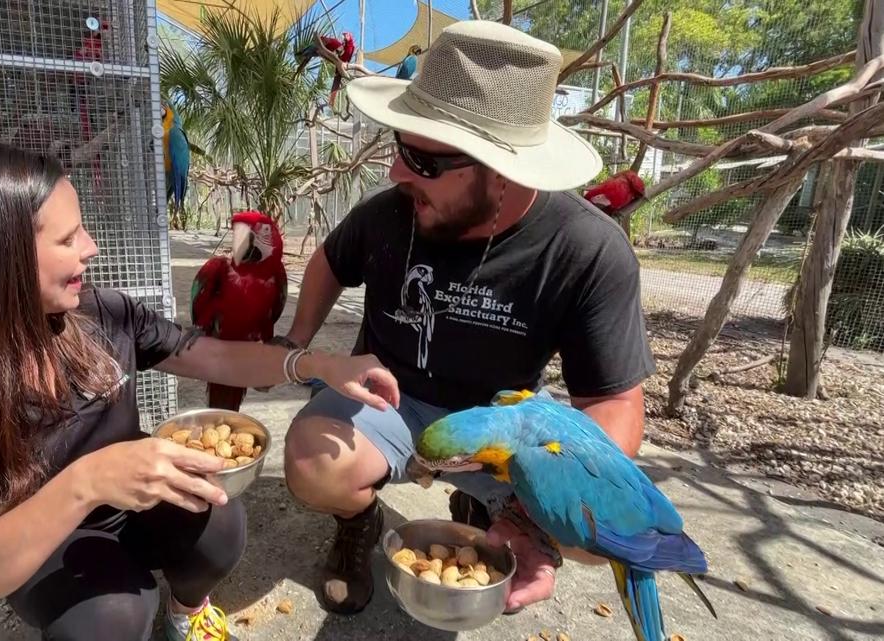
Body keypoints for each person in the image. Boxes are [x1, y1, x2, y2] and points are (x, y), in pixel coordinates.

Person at [0, 140, 400, 641]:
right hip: (44, 538)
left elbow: (211, 354)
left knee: (221, 519)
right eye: (68, 239)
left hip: (138, 502)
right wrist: (88, 481)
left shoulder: (104, 313)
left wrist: (312, 363)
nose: (91, 248)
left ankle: (186, 611)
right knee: (116, 614)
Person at [279, 21, 656, 617]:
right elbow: (329, 260)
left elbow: (615, 405)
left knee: (590, 534)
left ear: (499, 169)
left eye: (419, 159)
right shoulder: (390, 213)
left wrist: (538, 507)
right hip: (389, 402)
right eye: (399, 146)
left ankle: (490, 506)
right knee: (311, 461)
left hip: (502, 427)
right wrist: (297, 344)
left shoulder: (588, 249)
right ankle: (358, 520)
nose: (395, 172)